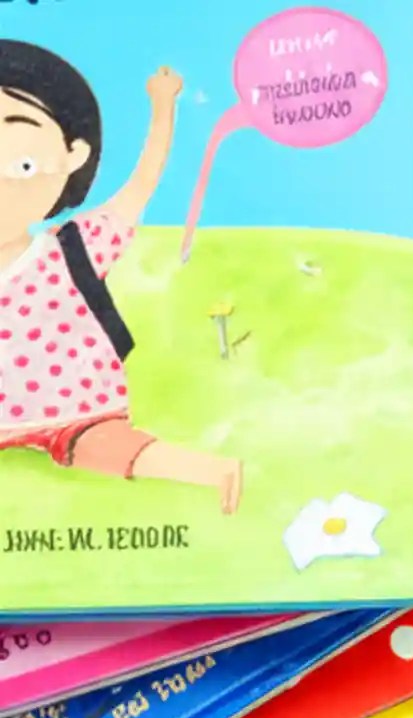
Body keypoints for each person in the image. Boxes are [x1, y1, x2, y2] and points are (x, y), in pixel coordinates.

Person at [0, 40, 242, 514]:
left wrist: (163, 106)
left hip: (74, 411)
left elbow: (142, 182)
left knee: (106, 447)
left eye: (22, 167)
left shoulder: (74, 246)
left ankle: (215, 470)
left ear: (73, 155)